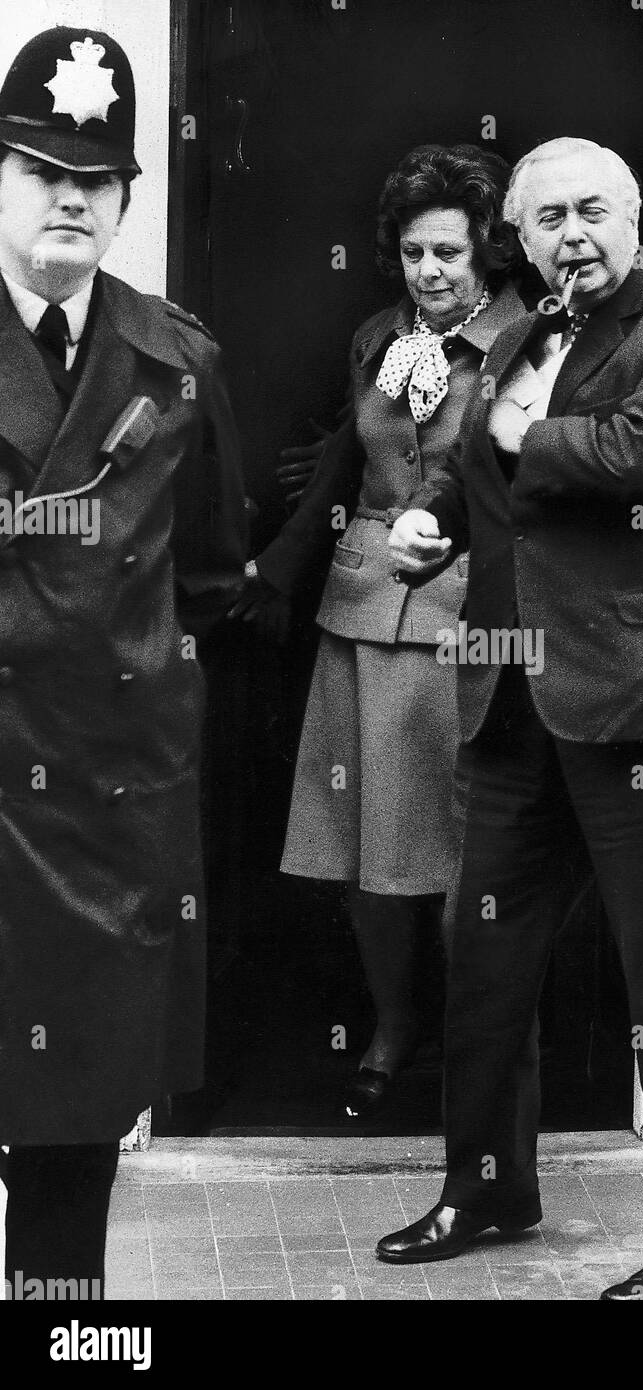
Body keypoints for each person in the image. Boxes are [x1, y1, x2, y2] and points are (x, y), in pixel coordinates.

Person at [380, 136, 643, 1301]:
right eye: (546, 220)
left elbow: (636, 455)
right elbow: (480, 473)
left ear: (635, 214)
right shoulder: (524, 329)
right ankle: (487, 1188)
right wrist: (435, 515)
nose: (571, 236)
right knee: (484, 958)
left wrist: (506, 441)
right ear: (523, 237)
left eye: (592, 211)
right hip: (512, 693)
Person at [0, 27, 247, 1298]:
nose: (69, 199)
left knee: (70, 1139)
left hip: (102, 813)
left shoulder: (179, 361)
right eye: (42, 169)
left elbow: (211, 571)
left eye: (94, 179)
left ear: (129, 198)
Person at [234, 144, 525, 1119]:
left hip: (463, 618)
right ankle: (395, 1025)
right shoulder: (374, 339)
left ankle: (480, 1054)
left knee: (453, 853)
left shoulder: (526, 341)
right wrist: (278, 565)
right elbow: (343, 469)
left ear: (487, 251)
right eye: (413, 252)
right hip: (356, 613)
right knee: (359, 851)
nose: (431, 272)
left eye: (449, 250)